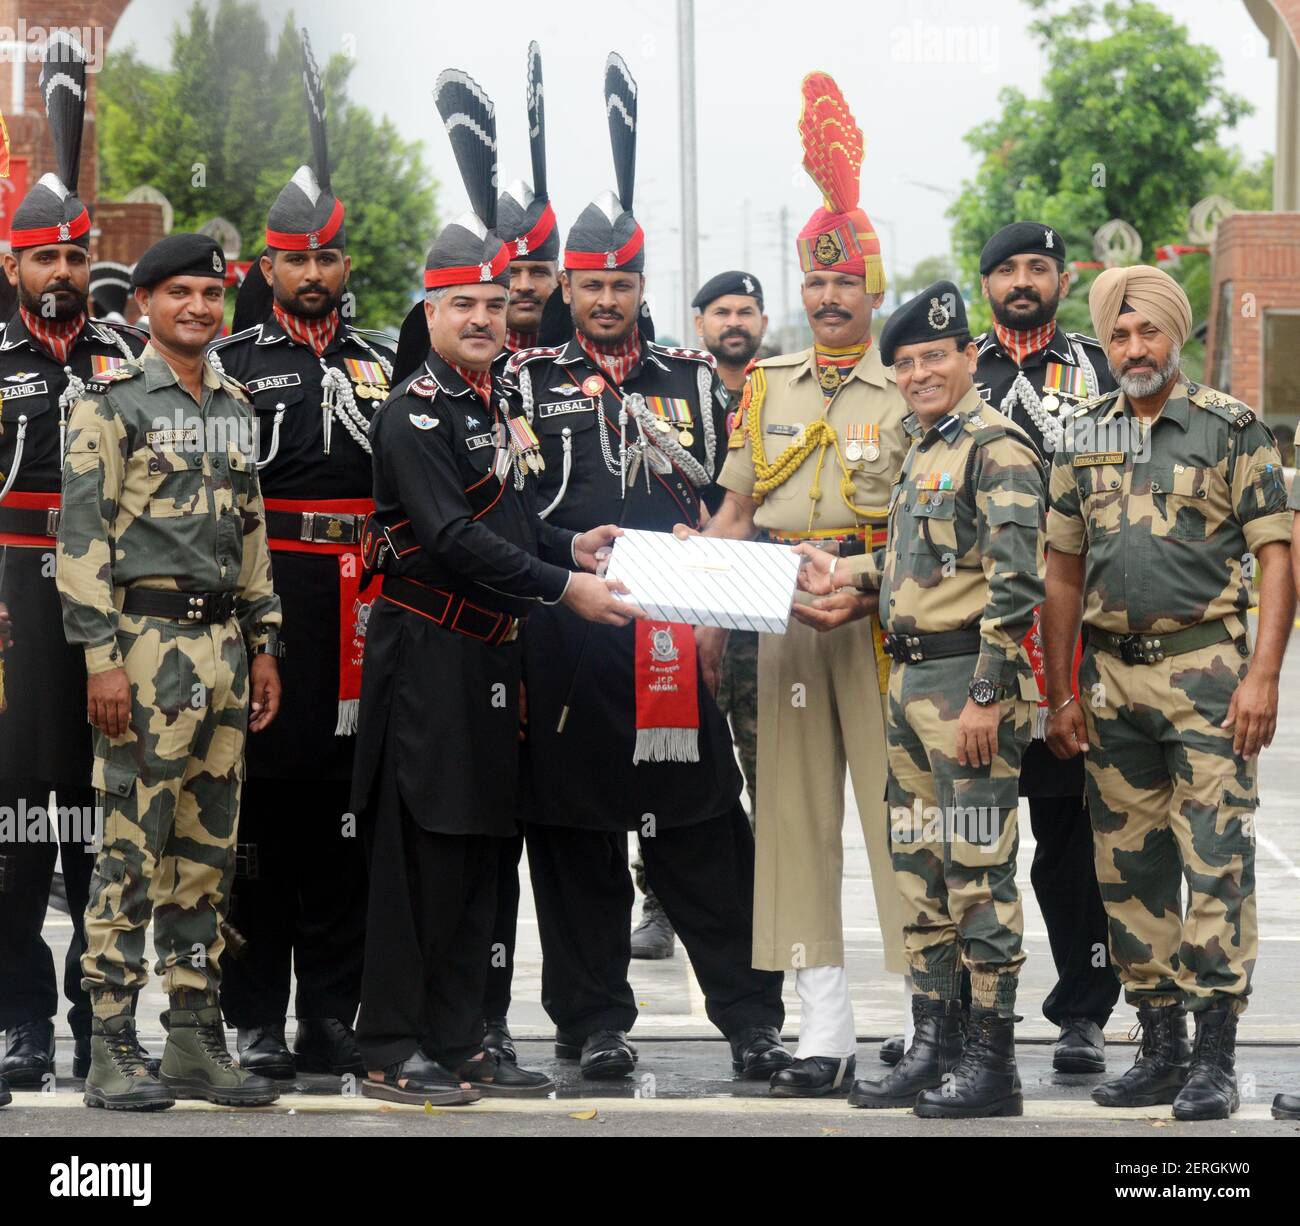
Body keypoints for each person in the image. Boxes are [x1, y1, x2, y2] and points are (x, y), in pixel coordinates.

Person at [352, 68, 638, 1106]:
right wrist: (565, 587)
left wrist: (577, 536)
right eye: (461, 303)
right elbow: (453, 538)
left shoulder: (496, 397)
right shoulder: (416, 412)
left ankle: (461, 1035)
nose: (483, 317)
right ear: (428, 308)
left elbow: (513, 519)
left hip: (490, 655)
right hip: (428, 653)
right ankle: (390, 1046)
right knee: (423, 854)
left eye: (491, 302)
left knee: (480, 853)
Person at [504, 53, 790, 1084]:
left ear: (641, 283)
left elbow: (735, 497)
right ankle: (592, 1022)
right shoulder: (522, 381)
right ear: (566, 286)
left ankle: (752, 1017)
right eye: (591, 283)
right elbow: (499, 508)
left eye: (624, 281)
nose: (608, 298)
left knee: (705, 837)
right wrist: (551, 568)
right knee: (576, 843)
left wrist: (718, 600)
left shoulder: (696, 381)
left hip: (678, 642)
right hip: (570, 638)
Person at [1043, 264, 1294, 1121]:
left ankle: (1216, 1061)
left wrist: (1263, 675)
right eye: (1118, 334)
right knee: (1129, 868)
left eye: (1148, 331)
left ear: (1174, 336)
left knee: (1217, 863)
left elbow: (1276, 556)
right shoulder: (1081, 434)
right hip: (1110, 683)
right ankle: (1159, 1050)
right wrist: (1060, 689)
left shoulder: (1232, 429)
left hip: (1210, 681)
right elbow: (1062, 572)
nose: (1133, 347)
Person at [703, 73, 910, 1096]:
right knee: (792, 821)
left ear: (874, 288)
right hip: (782, 622)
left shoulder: (909, 386)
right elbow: (736, 515)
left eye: (847, 282)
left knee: (899, 817)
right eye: (816, 283)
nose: (830, 297)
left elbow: (935, 524)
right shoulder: (765, 387)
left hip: (884, 623)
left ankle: (925, 1022)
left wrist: (870, 581)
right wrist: (698, 615)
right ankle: (823, 1032)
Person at [801, 280, 1045, 1118]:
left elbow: (1016, 587)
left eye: (933, 357)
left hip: (965, 689)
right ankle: (934, 1045)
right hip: (907, 686)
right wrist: (844, 574)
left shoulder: (994, 447)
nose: (917, 374)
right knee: (921, 873)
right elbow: (924, 570)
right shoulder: (924, 447)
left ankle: (993, 1065)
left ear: (967, 358)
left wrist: (986, 695)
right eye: (903, 363)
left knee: (978, 872)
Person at [56, 232, 284, 1110]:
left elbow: (251, 529)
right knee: (128, 849)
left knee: (205, 857)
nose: (199, 307)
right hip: (145, 654)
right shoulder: (109, 402)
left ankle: (193, 1035)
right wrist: (101, 663)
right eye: (180, 292)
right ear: (142, 303)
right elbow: (81, 544)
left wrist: (266, 644)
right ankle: (110, 1044)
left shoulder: (231, 401)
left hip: (224, 651)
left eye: (211, 293)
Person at [208, 29, 386, 1082]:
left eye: (326, 256)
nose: (311, 273)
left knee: (346, 815)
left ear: (341, 262)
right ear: (264, 266)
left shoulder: (377, 365)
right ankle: (251, 1015)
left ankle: (330, 1010)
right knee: (260, 818)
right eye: (293, 257)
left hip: (364, 615)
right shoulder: (232, 363)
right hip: (268, 610)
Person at [0, 33, 146, 1090]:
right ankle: (19, 1022)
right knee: (13, 828)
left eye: (73, 254)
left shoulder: (123, 357)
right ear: (13, 263)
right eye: (43, 255)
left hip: (112, 616)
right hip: (9, 605)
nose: (61, 271)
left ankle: (103, 1022)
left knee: (102, 832)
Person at [974, 221, 1120, 1073]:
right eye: (1008, 269)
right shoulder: (953, 367)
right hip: (980, 638)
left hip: (1073, 635)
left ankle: (1082, 1014)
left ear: (1063, 279)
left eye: (1039, 267)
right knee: (969, 830)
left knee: (1069, 838)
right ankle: (957, 1012)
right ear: (986, 280)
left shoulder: (1101, 367)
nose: (1023, 280)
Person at [477, 42, 564, 1066]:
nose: (519, 292)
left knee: (578, 836)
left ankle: (587, 1018)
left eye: (536, 272)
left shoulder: (593, 372)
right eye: (503, 279)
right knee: (481, 841)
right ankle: (483, 1020)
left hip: (577, 633)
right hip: (480, 634)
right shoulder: (442, 377)